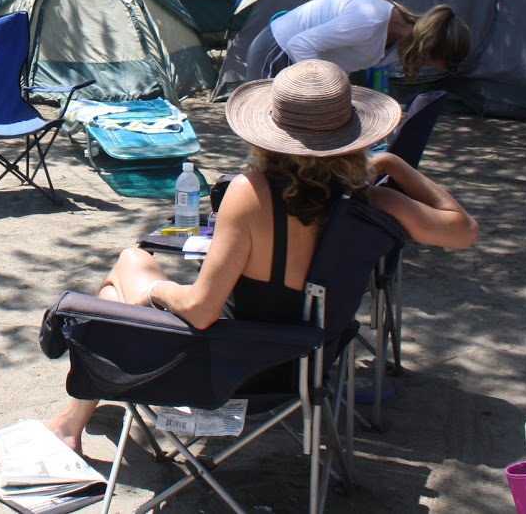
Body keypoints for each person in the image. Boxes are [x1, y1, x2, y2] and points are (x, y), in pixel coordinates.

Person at [44, 60, 479, 455]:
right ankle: (72, 420)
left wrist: (157, 293)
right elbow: (463, 231)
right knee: (127, 277)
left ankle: (72, 422)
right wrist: (394, 164)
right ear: (352, 135)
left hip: (231, 367)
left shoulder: (250, 194)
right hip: (304, 366)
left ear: (270, 134)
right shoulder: (375, 202)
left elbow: (199, 311)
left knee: (128, 266)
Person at [243, 0, 471, 81]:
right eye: (426, 61)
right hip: (278, 50)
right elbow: (300, 44)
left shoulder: (395, 43)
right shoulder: (370, 21)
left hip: (300, 59)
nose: (421, 66)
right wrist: (325, 88)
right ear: (428, 47)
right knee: (267, 134)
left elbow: (343, 60)